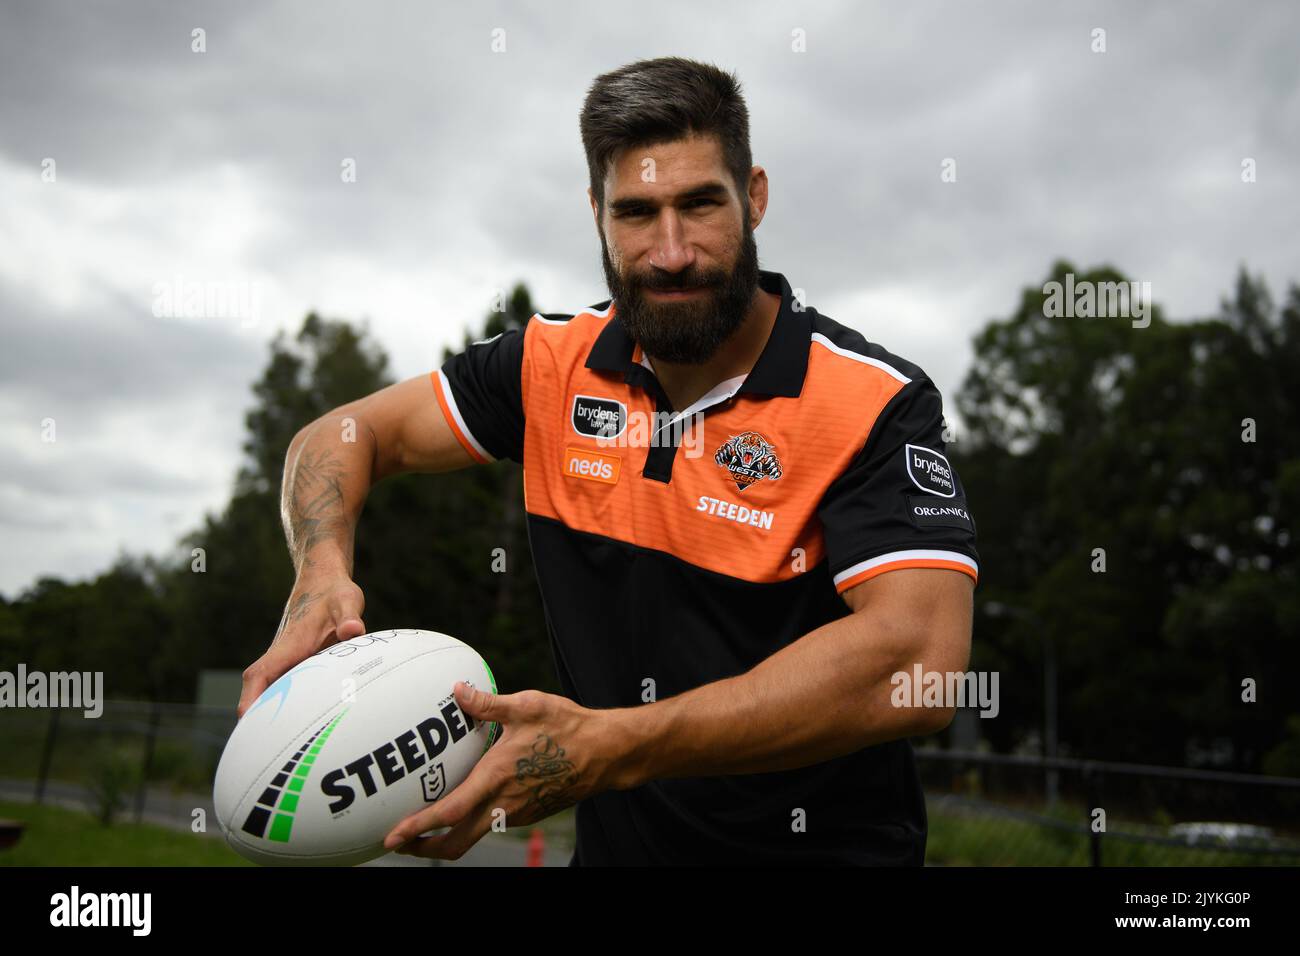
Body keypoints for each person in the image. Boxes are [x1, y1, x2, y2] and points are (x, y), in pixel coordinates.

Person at [238, 55, 979, 866]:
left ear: (755, 195)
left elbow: (919, 662)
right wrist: (319, 569)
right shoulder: (548, 366)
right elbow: (341, 435)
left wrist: (614, 746)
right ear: (596, 213)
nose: (670, 252)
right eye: (636, 213)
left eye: (700, 205)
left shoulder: (874, 400)